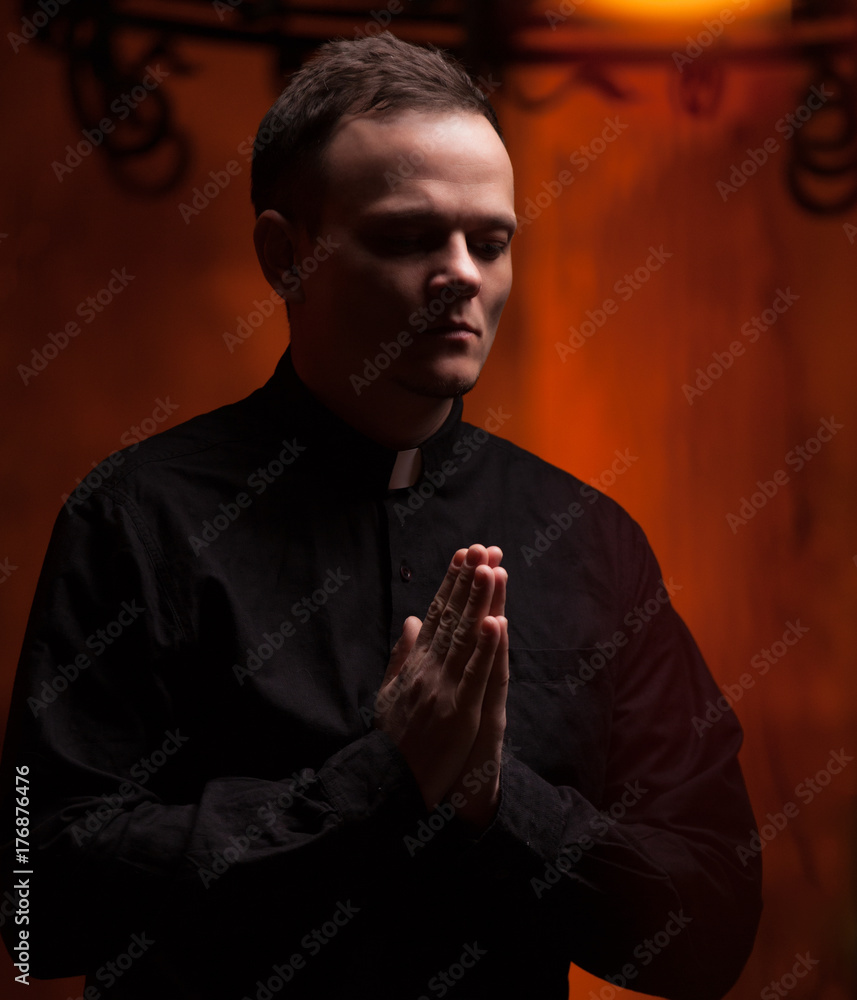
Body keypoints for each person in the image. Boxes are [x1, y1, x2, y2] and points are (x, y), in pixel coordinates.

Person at [1, 31, 761, 1000]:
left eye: (489, 241)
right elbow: (33, 903)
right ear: (285, 255)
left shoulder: (590, 541)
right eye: (408, 237)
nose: (461, 275)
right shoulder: (132, 520)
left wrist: (495, 798)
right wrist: (375, 781)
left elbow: (714, 920)